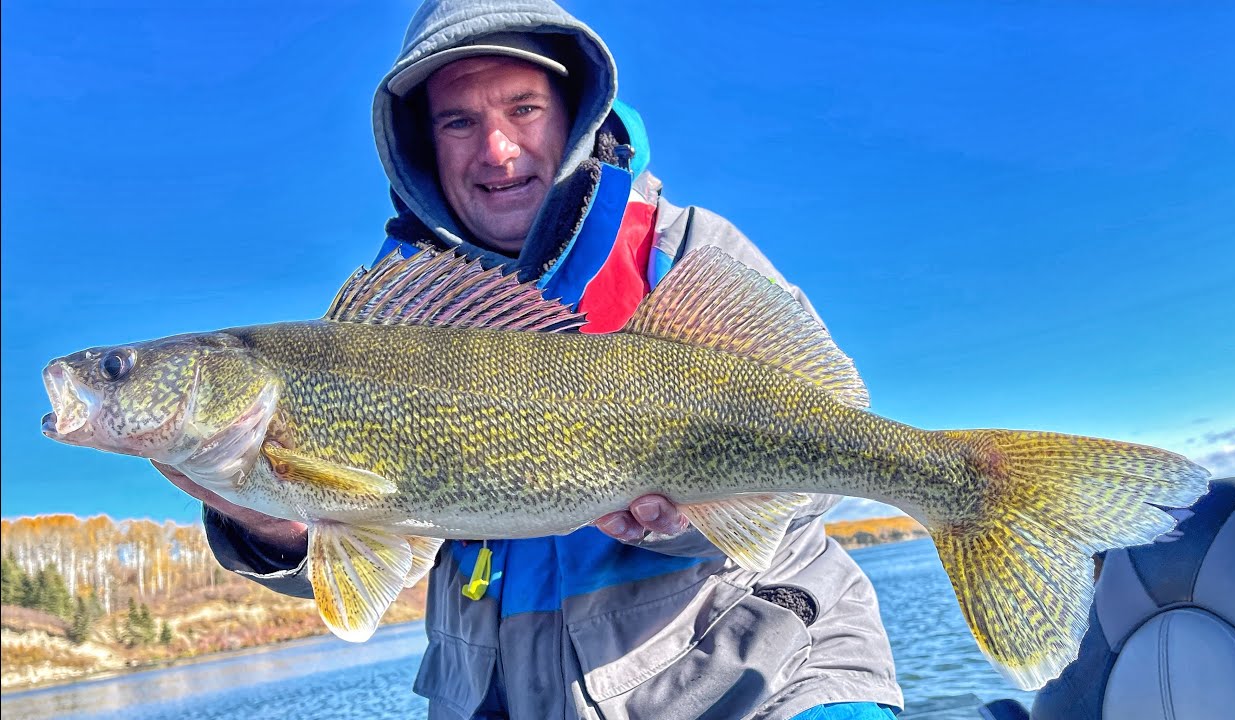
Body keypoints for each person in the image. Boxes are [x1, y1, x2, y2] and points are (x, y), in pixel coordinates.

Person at [155, 1, 903, 718]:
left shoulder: (684, 253)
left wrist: (692, 516)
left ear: (574, 114)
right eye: (458, 121)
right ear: (423, 144)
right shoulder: (378, 335)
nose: (497, 150)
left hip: (765, 685)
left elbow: (822, 454)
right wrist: (277, 524)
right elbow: (371, 560)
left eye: (523, 109)